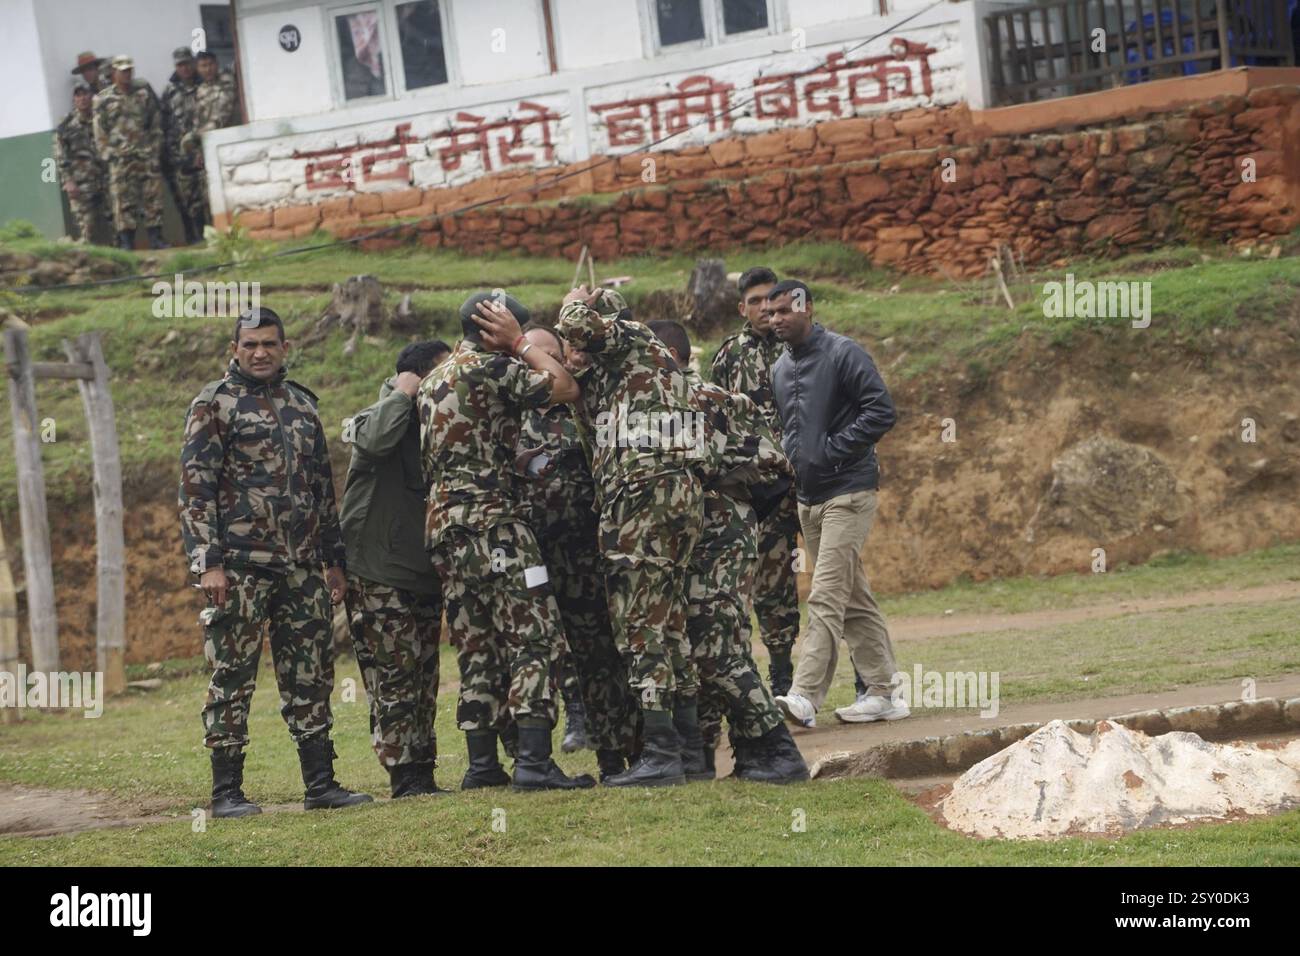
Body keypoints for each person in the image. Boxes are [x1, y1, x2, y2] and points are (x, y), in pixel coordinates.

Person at [179, 307, 373, 817]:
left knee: (311, 675)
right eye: (250, 345)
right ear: (234, 350)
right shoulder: (213, 406)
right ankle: (226, 793)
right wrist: (208, 563)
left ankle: (321, 785)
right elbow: (195, 492)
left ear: (284, 348)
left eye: (269, 344)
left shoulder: (303, 406)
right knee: (232, 676)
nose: (260, 352)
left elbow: (321, 491)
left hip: (302, 566)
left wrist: (334, 560)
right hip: (240, 567)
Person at [419, 293, 594, 791]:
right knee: (536, 636)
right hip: (496, 525)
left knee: (477, 645)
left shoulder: (436, 378)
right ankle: (535, 764)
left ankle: (481, 767)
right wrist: (521, 343)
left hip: (446, 530)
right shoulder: (494, 368)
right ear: (495, 324)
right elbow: (565, 387)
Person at [648, 319, 808, 783]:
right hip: (690, 546)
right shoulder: (655, 405)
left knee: (717, 650)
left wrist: (722, 492)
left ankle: (777, 751)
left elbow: (777, 470)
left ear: (670, 356)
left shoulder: (709, 400)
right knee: (699, 649)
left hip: (719, 545)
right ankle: (705, 757)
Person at [555, 288, 704, 787]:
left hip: (641, 498)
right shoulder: (627, 376)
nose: (574, 353)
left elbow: (580, 325)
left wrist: (573, 302)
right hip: (670, 496)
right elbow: (590, 424)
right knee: (670, 623)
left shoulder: (635, 339)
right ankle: (690, 752)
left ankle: (662, 753)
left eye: (581, 343)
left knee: (640, 624)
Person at [766, 280, 909, 727]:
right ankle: (884, 692)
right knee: (852, 599)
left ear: (807, 309)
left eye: (784, 310)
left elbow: (880, 411)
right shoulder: (778, 369)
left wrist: (831, 450)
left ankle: (805, 696)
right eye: (770, 313)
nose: (775, 320)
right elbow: (789, 430)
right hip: (808, 499)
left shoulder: (845, 353)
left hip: (849, 490)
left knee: (825, 594)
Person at [515, 323, 641, 782]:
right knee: (538, 653)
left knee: (602, 654)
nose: (544, 363)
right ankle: (528, 756)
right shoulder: (511, 411)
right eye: (533, 355)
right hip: (532, 555)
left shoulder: (585, 404)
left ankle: (619, 751)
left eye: (552, 353)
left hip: (591, 556)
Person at [340, 340, 450, 798]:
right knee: (395, 674)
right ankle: (404, 775)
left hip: (421, 569)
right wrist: (404, 390)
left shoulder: (437, 420)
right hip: (377, 571)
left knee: (425, 673)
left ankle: (422, 771)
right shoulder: (381, 415)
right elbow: (372, 440)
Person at [709, 267, 801, 696]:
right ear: (741, 308)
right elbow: (715, 421)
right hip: (761, 489)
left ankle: (867, 677)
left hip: (813, 480)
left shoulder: (802, 344)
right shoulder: (729, 356)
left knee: (842, 581)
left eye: (772, 299)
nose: (766, 308)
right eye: (756, 301)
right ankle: (778, 676)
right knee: (769, 583)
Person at [92, 54, 166, 250]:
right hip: (120, 158)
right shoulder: (103, 99)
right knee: (123, 200)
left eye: (129, 70)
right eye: (122, 71)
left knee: (153, 198)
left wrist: (155, 148)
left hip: (145, 154)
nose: (127, 74)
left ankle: (156, 238)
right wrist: (109, 155)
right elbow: (100, 132)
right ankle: (127, 242)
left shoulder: (142, 93)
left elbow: (155, 121)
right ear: (114, 72)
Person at [54, 85, 109, 244]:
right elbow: (60, 155)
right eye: (78, 95)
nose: (83, 98)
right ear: (74, 99)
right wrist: (68, 181)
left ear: (92, 96)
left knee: (114, 225)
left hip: (106, 179)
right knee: (87, 229)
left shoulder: (101, 119)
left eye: (85, 94)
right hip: (81, 185)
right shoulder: (67, 124)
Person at [160, 47, 204, 245]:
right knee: (188, 201)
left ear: (193, 63)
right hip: (180, 157)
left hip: (205, 151)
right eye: (180, 65)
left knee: (207, 197)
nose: (184, 68)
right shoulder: (169, 92)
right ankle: (194, 238)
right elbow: (163, 123)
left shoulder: (205, 85)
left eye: (187, 63)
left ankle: (211, 236)